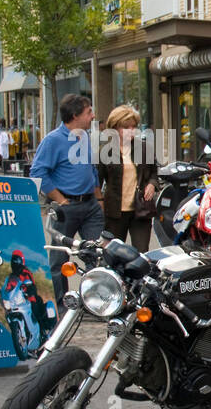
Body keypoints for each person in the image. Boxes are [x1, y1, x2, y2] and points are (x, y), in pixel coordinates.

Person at [31, 94, 99, 294]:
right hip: (66, 208)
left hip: (91, 206)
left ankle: (95, 301)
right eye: (89, 112)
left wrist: (99, 199)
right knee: (59, 260)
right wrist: (60, 200)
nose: (93, 116)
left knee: (96, 256)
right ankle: (60, 306)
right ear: (75, 115)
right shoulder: (53, 140)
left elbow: (91, 169)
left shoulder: (84, 136)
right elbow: (37, 172)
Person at [97, 105, 158, 252]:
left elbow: (154, 173)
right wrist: (99, 205)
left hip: (141, 209)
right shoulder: (105, 151)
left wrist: (152, 184)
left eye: (134, 127)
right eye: (126, 127)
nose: (131, 131)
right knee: (114, 253)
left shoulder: (144, 148)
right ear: (115, 128)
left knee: (142, 252)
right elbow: (97, 182)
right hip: (115, 212)